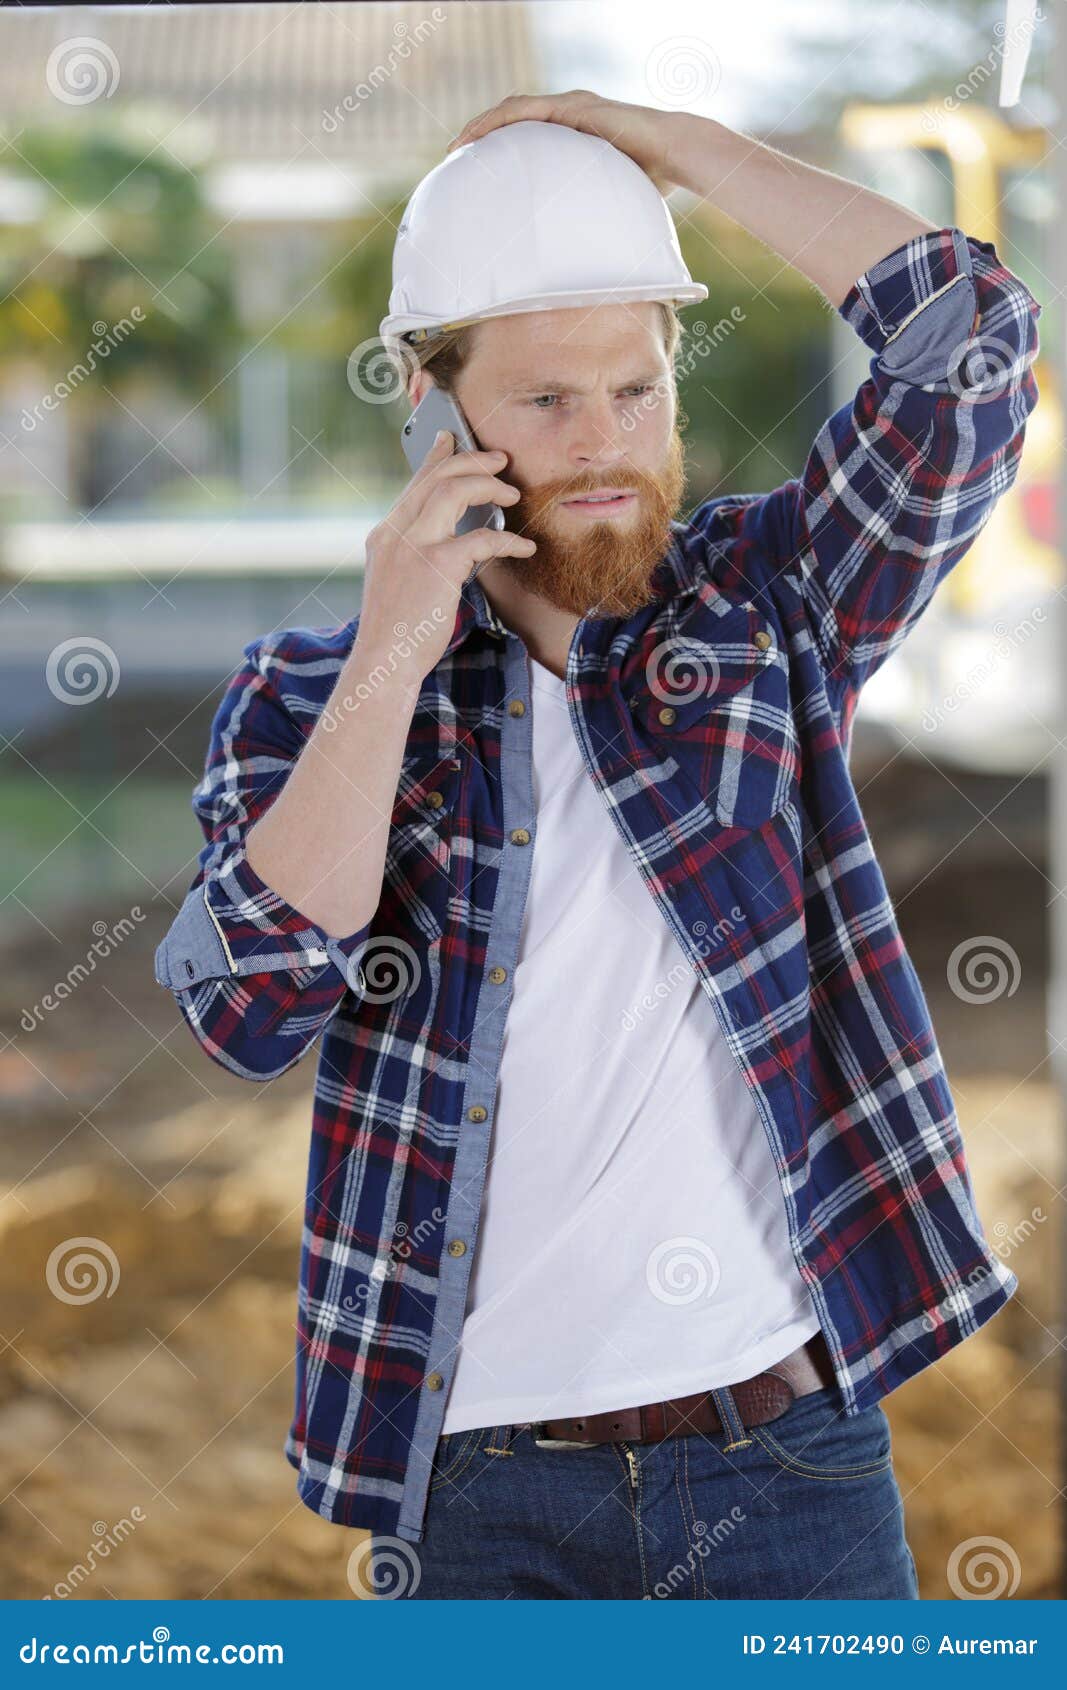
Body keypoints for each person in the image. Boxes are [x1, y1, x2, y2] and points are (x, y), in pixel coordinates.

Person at [154, 93, 1042, 1600]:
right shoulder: (310, 696)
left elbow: (975, 347)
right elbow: (244, 1006)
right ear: (432, 412)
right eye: (549, 399)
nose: (605, 443)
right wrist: (396, 647)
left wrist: (682, 151)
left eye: (636, 388)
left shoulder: (768, 605)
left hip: (789, 1466)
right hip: (481, 1502)